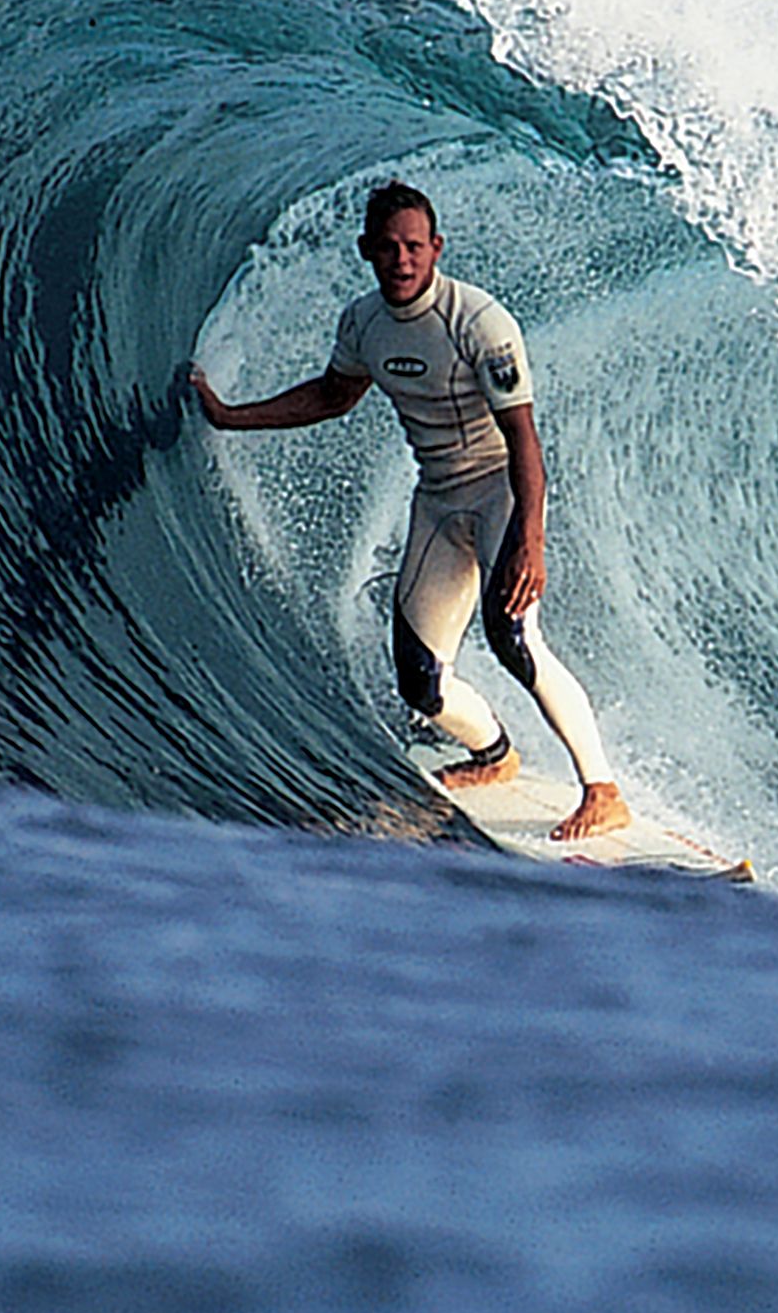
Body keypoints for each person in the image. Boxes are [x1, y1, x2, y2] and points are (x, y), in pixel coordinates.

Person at [185, 181, 630, 841]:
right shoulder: (363, 323)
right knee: (421, 683)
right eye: (388, 248)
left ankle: (602, 790)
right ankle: (495, 756)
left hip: (498, 491)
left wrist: (530, 538)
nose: (402, 260)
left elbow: (524, 439)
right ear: (367, 250)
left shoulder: (480, 323)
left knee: (513, 638)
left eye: (414, 247)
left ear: (436, 248)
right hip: (438, 499)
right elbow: (332, 396)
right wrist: (229, 416)